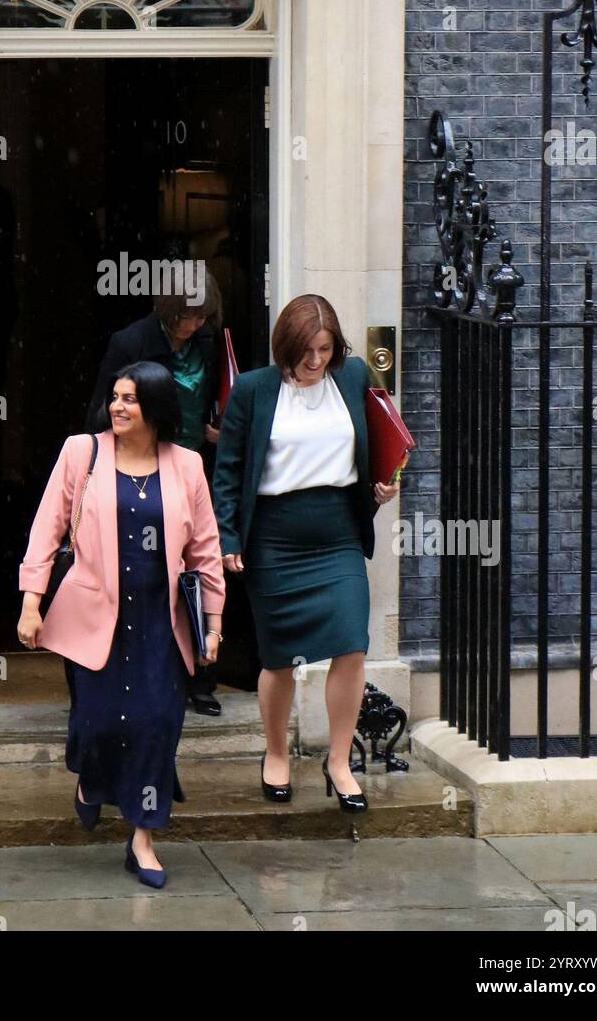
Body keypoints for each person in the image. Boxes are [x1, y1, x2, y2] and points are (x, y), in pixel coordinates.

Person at [18, 361, 226, 888]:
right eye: (115, 396)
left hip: (162, 620)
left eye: (130, 398)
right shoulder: (81, 453)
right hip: (97, 618)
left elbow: (205, 551)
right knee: (100, 723)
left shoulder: (188, 466)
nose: (117, 406)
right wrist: (31, 601)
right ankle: (90, 774)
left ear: (154, 407)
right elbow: (48, 528)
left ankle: (144, 839)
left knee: (157, 727)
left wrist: (214, 625)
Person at [212, 295, 399, 812]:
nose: (315, 361)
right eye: (306, 351)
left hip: (338, 533)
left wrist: (383, 485)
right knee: (278, 658)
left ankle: (339, 761)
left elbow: (380, 447)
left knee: (351, 644)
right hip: (274, 539)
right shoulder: (254, 390)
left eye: (324, 349)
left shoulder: (357, 377)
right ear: (284, 348)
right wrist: (227, 538)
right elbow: (226, 472)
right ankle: (276, 753)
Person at [85, 277, 226, 717]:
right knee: (150, 571)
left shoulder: (209, 340)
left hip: (196, 464)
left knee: (202, 561)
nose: (194, 324)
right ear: (168, 309)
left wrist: (217, 427)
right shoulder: (132, 341)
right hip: (144, 467)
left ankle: (202, 675)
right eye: (187, 316)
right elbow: (101, 411)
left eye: (202, 316)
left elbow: (216, 393)